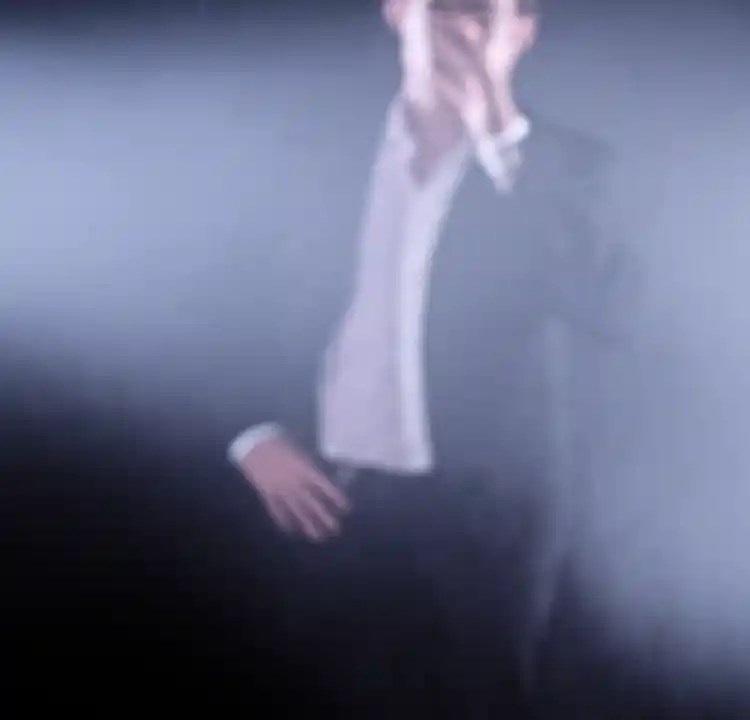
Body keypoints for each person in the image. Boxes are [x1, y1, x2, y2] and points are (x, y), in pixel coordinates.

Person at [223, 0, 632, 715]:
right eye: (443, 8)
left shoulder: (572, 170)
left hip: (486, 512)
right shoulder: (319, 152)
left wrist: (498, 129)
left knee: (484, 699)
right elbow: (236, 300)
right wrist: (254, 433)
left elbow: (600, 303)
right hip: (331, 493)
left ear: (522, 32)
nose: (461, 30)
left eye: (483, 13)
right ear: (397, 11)